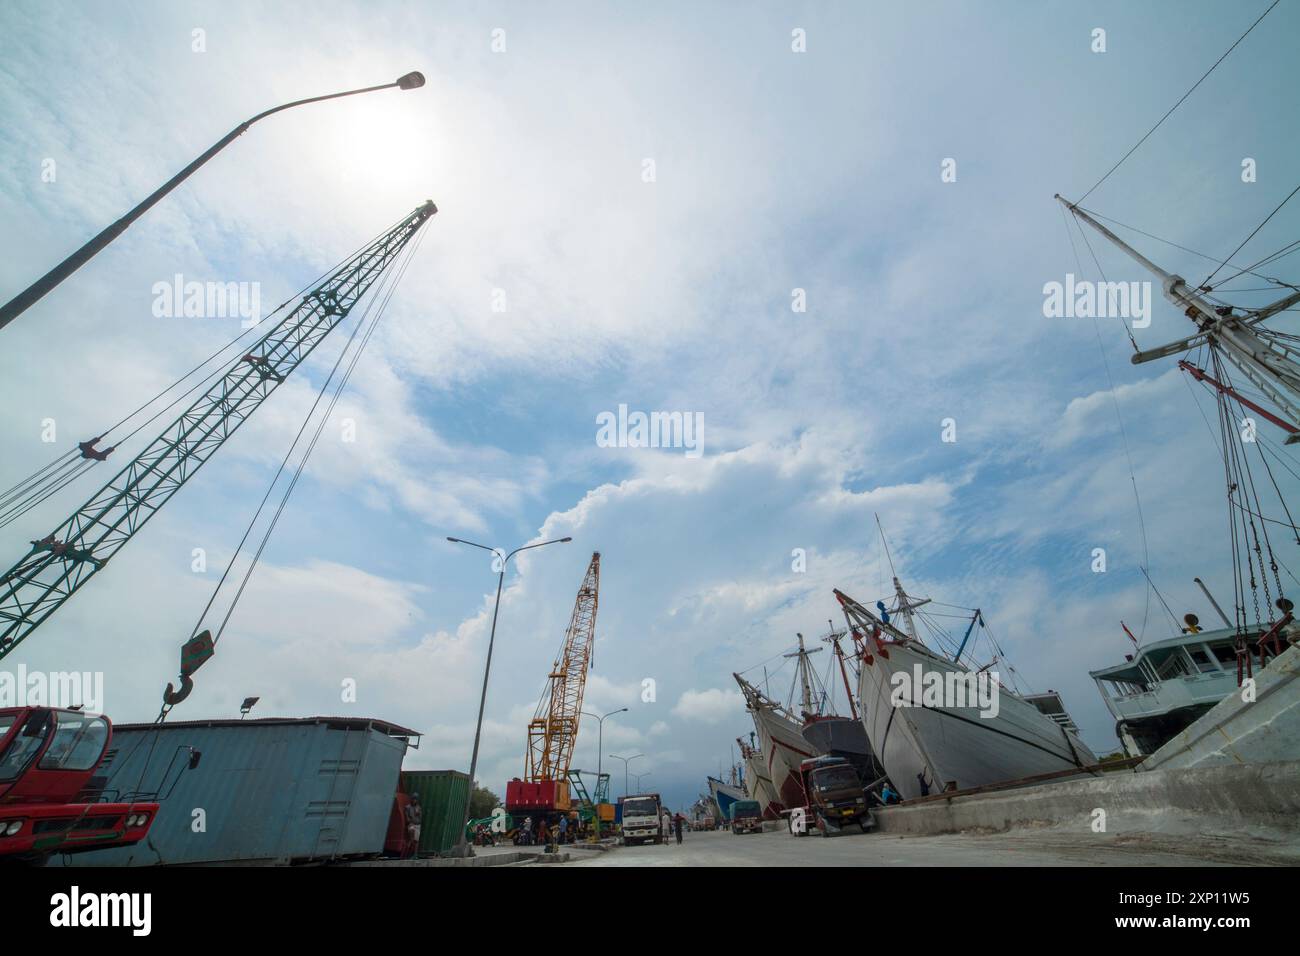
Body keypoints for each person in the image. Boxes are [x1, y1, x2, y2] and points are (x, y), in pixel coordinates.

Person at [404, 793, 422, 858]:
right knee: (412, 838)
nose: (415, 801)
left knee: (416, 841)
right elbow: (407, 819)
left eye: (416, 799)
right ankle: (406, 854)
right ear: (411, 799)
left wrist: (418, 813)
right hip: (411, 825)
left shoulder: (418, 808)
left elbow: (420, 819)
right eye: (414, 799)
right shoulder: (407, 807)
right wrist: (411, 820)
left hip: (417, 825)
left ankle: (415, 855)